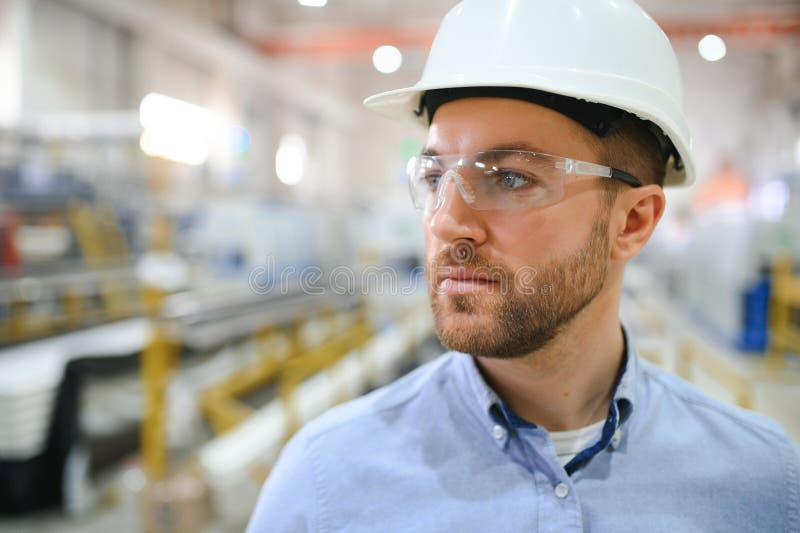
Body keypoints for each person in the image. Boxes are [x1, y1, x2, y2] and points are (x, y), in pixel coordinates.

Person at [247, 1, 800, 531]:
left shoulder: (763, 490)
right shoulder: (325, 488)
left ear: (632, 222)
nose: (445, 223)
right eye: (437, 177)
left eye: (510, 177)